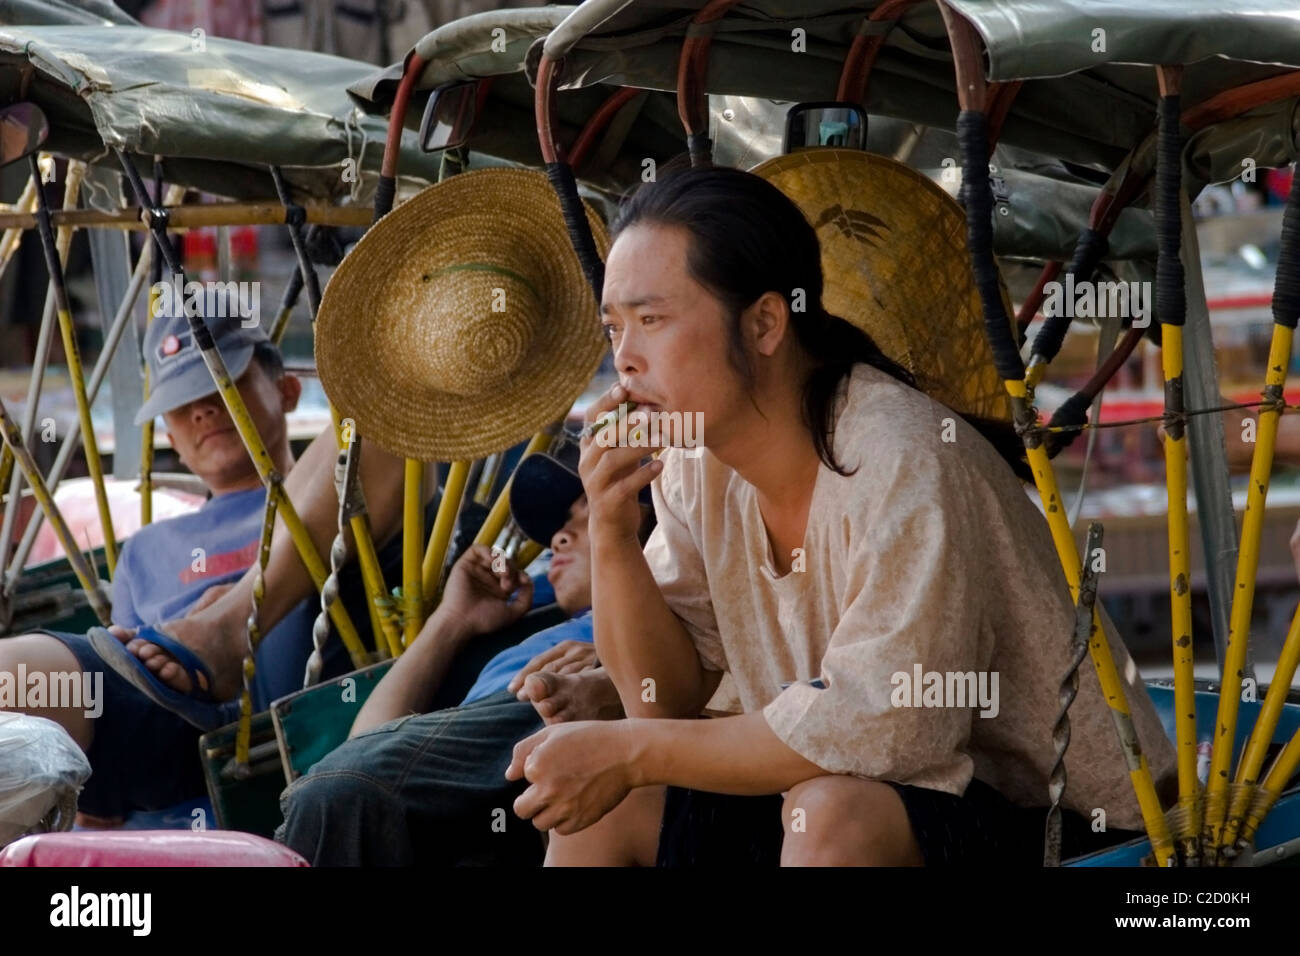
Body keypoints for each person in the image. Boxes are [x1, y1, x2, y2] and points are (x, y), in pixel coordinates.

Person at [502, 161, 1179, 867]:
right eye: (615, 328)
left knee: (830, 815)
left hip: (1060, 820)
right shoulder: (694, 466)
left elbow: (886, 730)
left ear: (764, 322)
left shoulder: (901, 457)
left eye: (652, 320)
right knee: (614, 808)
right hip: (847, 787)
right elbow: (660, 699)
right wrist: (611, 533)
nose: (627, 360)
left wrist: (632, 751)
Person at [0, 312, 397, 821]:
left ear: (289, 391)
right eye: (180, 403)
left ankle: (229, 628)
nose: (204, 410)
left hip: (288, 728)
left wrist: (235, 600)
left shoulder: (342, 490)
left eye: (222, 383)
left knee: (384, 408)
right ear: (169, 434)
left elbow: (392, 429)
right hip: (171, 722)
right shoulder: (144, 550)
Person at [275, 445, 643, 866]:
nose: (560, 534)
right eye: (563, 522)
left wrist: (615, 662)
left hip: (548, 728)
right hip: (467, 783)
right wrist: (451, 621)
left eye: (588, 510)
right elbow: (362, 748)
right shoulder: (524, 636)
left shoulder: (655, 617)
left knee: (336, 795)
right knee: (336, 793)